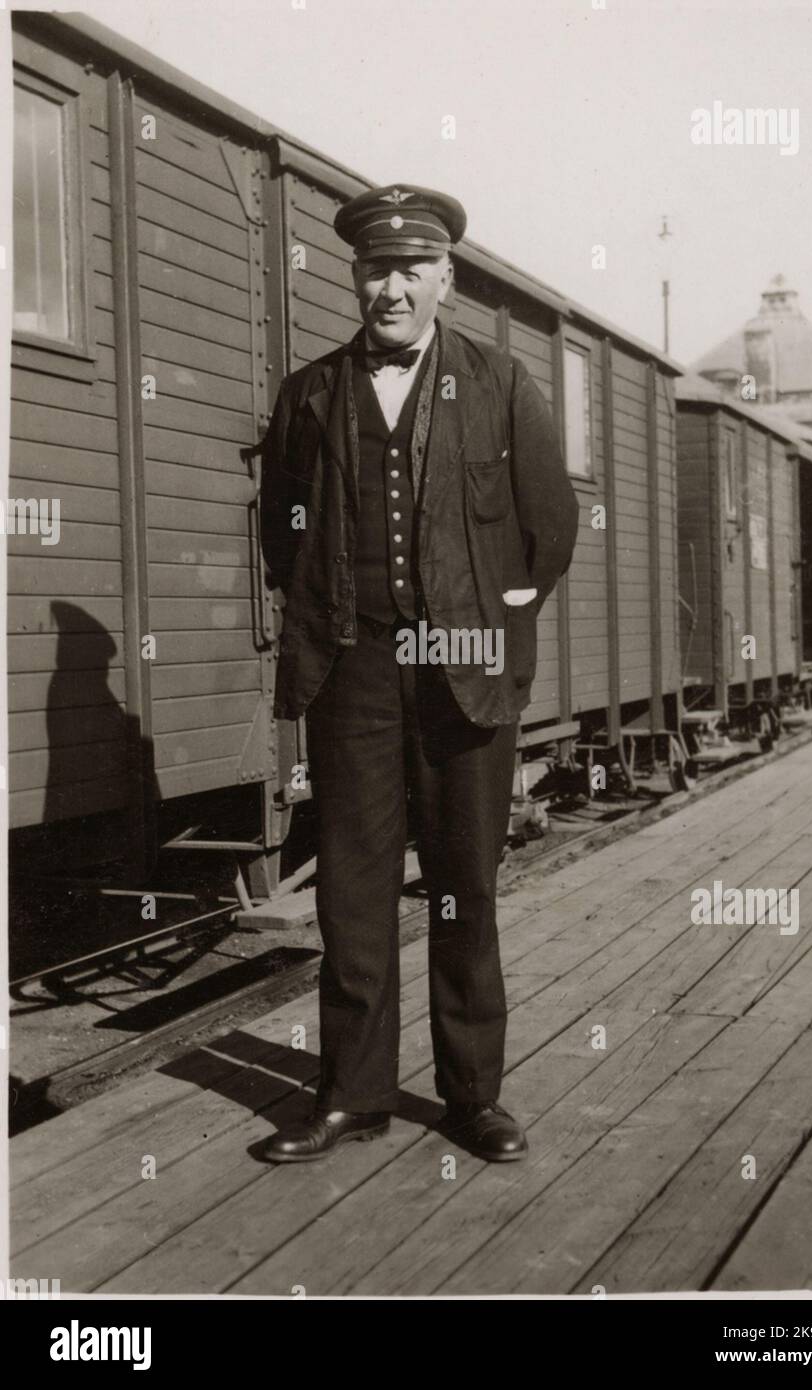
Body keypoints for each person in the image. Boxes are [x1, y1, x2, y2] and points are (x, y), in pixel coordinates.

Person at [258, 183, 579, 1162]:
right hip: (353, 662)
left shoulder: (497, 382)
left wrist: (503, 614)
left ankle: (472, 1096)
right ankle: (350, 1093)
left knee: (461, 885)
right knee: (351, 889)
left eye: (410, 270)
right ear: (355, 275)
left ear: (444, 277)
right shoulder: (309, 393)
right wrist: (332, 612)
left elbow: (549, 523)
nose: (389, 288)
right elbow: (282, 528)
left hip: (464, 662)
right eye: (373, 269)